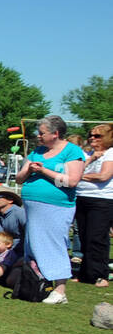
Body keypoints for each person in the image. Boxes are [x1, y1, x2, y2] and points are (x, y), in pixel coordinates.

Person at [15, 115, 86, 304]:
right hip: (33, 206)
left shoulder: (72, 152)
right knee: (34, 245)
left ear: (55, 134)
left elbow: (71, 181)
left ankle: (60, 289)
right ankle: (37, 284)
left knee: (54, 245)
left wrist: (43, 171)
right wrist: (28, 169)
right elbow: (19, 179)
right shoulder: (37, 151)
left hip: (56, 207)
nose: (38, 136)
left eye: (42, 133)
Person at [74, 123, 112, 286]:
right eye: (91, 135)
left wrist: (81, 176)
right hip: (82, 197)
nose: (92, 138)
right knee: (83, 236)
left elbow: (104, 176)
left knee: (96, 237)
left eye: (97, 136)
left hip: (101, 200)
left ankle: (100, 275)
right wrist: (91, 159)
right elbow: (74, 171)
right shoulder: (87, 153)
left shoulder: (110, 153)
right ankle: (85, 273)